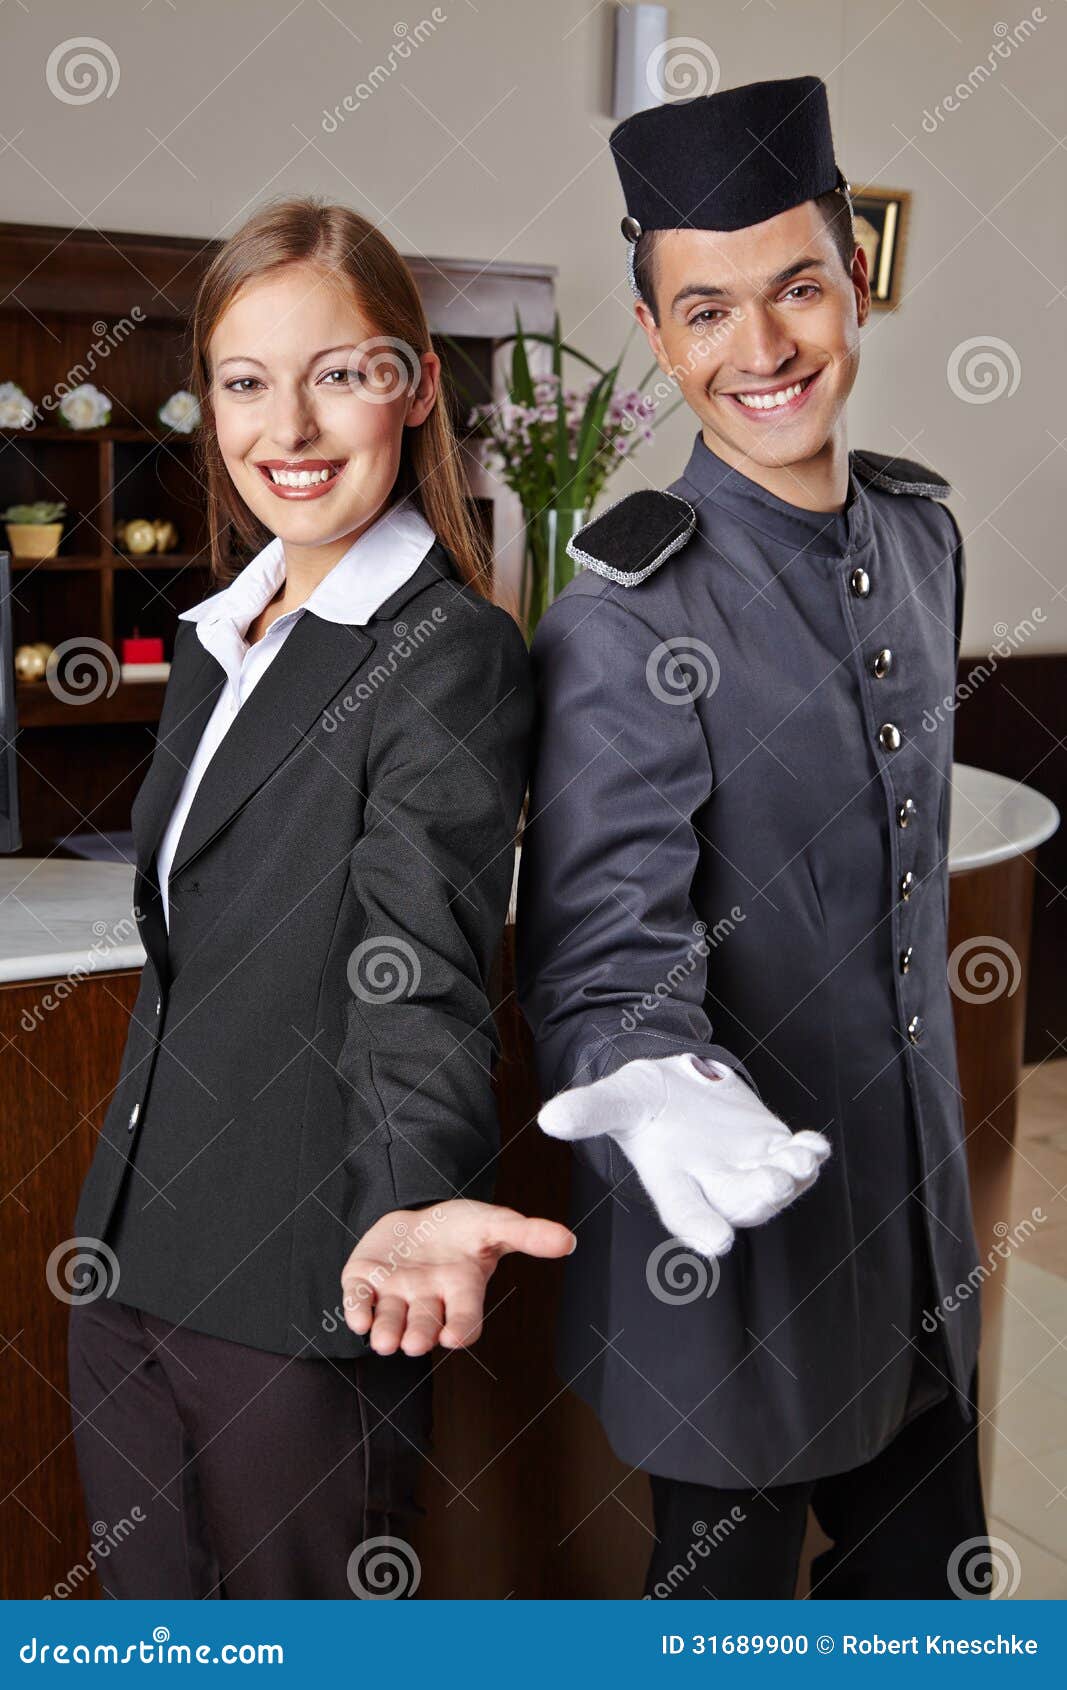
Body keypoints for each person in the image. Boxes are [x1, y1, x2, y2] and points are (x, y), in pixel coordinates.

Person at [517, 77, 989, 1599]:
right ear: (660, 340)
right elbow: (606, 949)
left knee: (924, 1605)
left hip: (911, 1232)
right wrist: (654, 1076)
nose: (763, 348)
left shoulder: (920, 534)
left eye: (796, 286)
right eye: (704, 311)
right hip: (732, 1272)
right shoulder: (624, 609)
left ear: (857, 279)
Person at [67, 195, 574, 1599]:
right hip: (126, 1265)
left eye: (335, 373)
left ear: (410, 390)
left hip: (295, 1292)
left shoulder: (443, 653)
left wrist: (415, 1193)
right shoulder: (225, 637)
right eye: (246, 381)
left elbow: (415, 953)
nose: (285, 427)